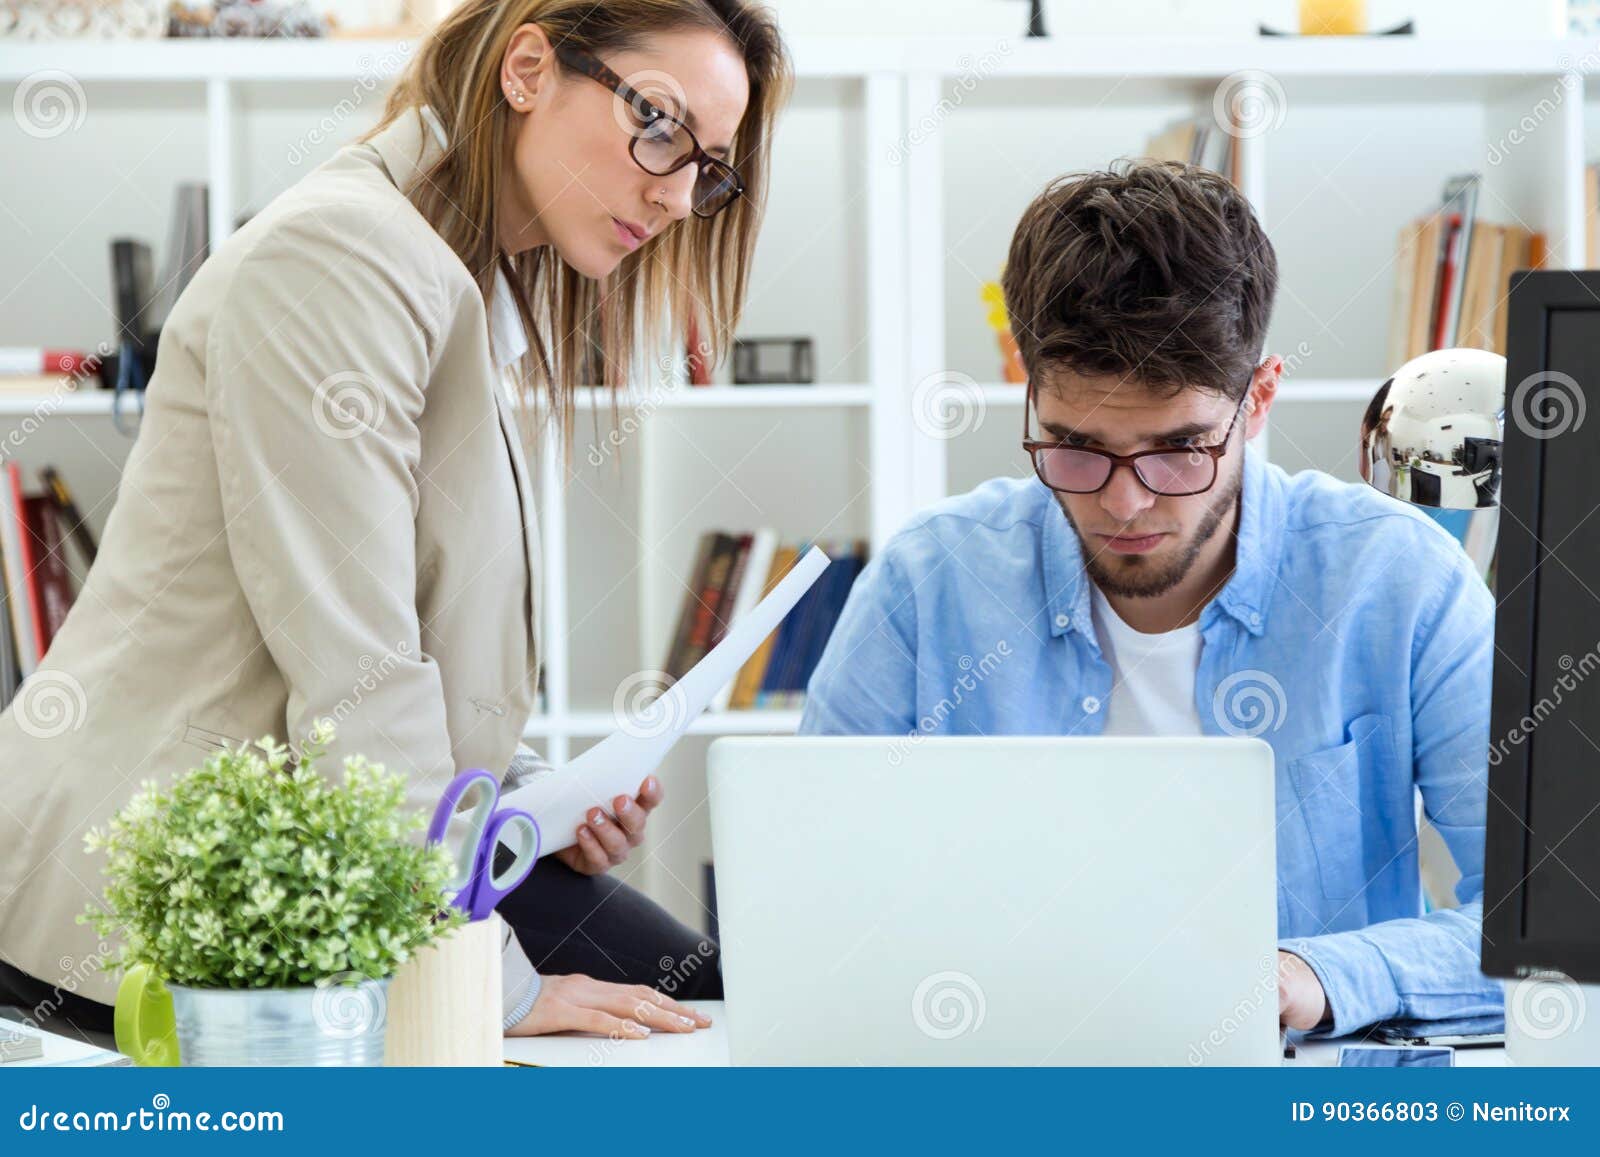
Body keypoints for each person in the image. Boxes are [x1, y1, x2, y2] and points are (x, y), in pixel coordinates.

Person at [0, 0, 791, 1043]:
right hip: (144, 898)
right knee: (696, 1011)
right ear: (526, 70)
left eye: (710, 168)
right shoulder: (340, 258)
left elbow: (415, 647)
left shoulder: (453, 278)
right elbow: (357, 668)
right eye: (659, 125)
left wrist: (537, 808)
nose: (680, 192)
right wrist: (504, 992)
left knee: (712, 997)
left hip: (328, 855)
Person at [799, 160, 1502, 1038]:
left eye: (1177, 450)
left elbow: (1553, 926)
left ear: (1259, 399)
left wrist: (1322, 974)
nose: (1125, 502)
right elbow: (810, 899)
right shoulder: (928, 582)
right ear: (1027, 388)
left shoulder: (1399, 584)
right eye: (1075, 446)